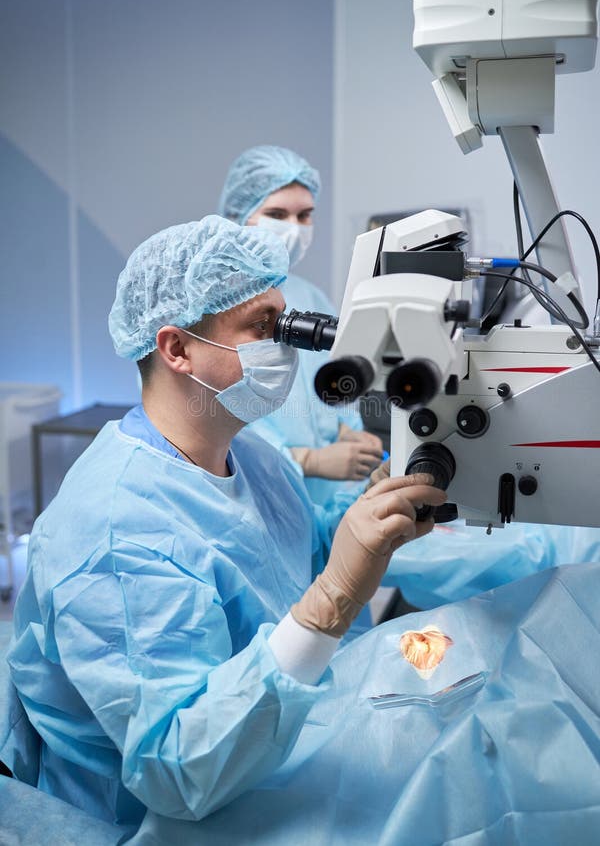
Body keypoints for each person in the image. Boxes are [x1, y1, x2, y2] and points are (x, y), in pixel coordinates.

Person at [7, 216, 444, 831]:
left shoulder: (254, 455)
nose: (285, 347)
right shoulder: (115, 532)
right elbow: (179, 770)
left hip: (270, 746)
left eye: (286, 323)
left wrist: (364, 526)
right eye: (263, 328)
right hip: (159, 817)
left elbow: (294, 552)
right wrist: (334, 596)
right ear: (177, 349)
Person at [218, 145, 384, 509]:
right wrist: (306, 460)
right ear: (236, 216)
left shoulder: (308, 295)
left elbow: (332, 379)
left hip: (322, 501)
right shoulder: (213, 303)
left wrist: (348, 432)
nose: (293, 228)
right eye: (277, 214)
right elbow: (206, 408)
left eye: (304, 215)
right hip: (253, 495)